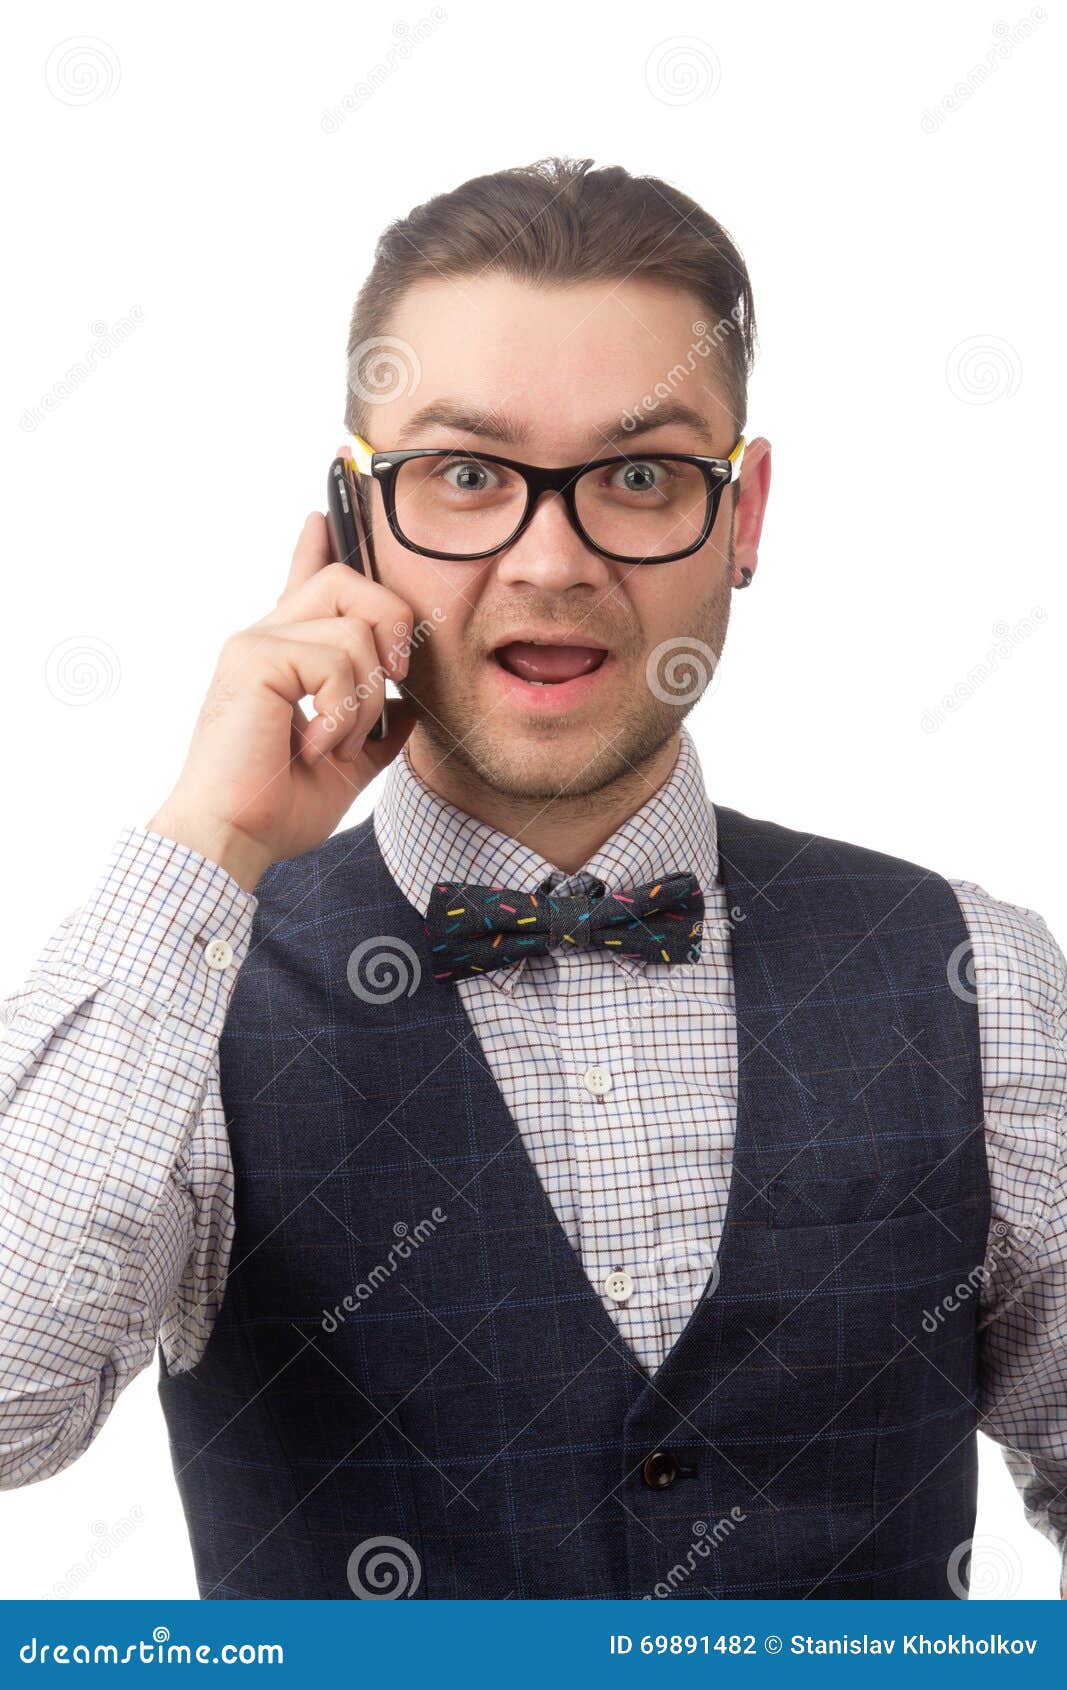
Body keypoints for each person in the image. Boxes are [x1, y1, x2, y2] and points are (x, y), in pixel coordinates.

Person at [2, 157, 1065, 1602]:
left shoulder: (977, 973)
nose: (551, 559)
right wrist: (208, 836)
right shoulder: (176, 1005)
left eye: (638, 475)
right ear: (354, 516)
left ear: (742, 514)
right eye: (465, 474)